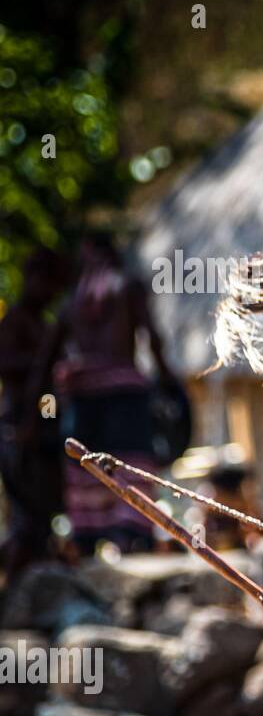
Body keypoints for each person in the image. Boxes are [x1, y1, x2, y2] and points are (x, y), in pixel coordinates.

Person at [48, 234, 179, 556]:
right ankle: (132, 534)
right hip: (124, 393)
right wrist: (168, 381)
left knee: (86, 468)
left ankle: (89, 537)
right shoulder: (127, 287)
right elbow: (153, 337)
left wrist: (38, 407)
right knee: (131, 462)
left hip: (83, 398)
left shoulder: (72, 299)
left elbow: (48, 354)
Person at [0, 247, 71, 578]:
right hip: (18, 428)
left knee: (41, 518)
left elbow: (47, 395)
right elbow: (9, 367)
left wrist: (46, 417)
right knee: (26, 520)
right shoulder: (15, 321)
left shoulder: (43, 325)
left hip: (38, 428)